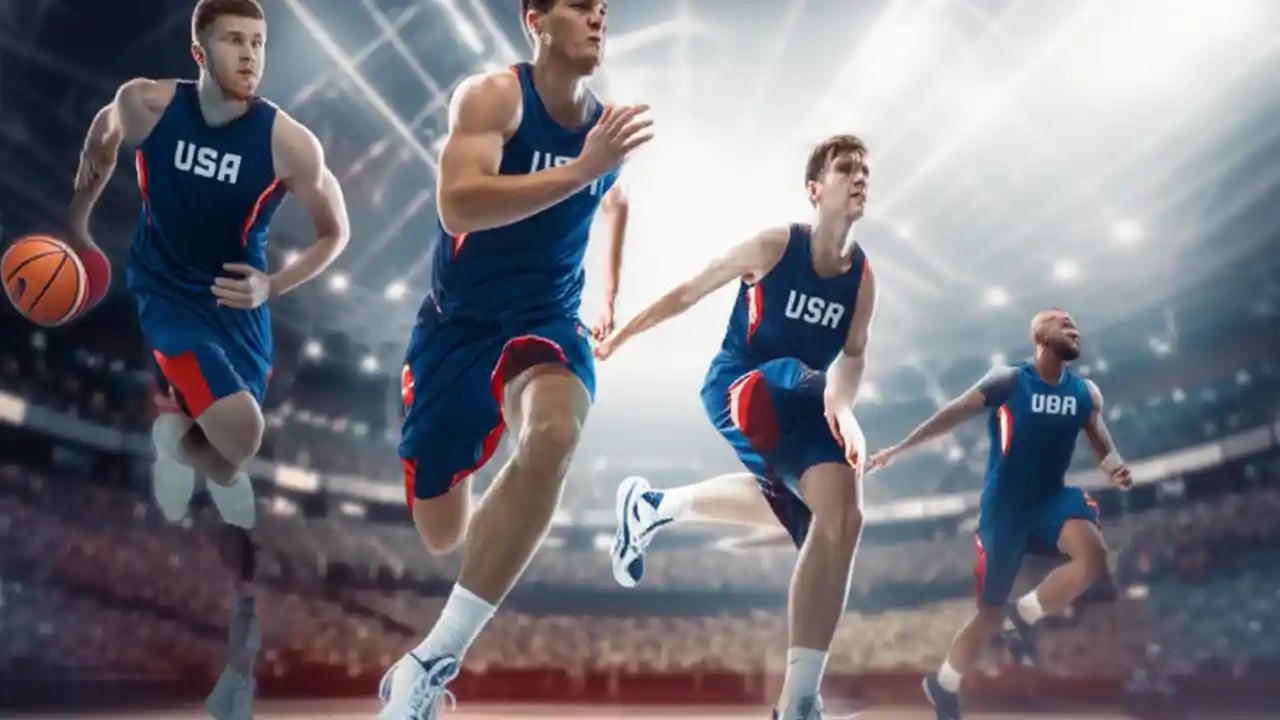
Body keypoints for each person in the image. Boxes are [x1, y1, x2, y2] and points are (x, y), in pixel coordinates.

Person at [66, 0, 350, 717]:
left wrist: (273, 283)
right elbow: (101, 141)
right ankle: (181, 447)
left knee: (230, 456)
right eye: (234, 41)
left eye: (259, 42)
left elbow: (333, 230)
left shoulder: (289, 143)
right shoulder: (149, 105)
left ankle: (176, 446)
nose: (252, 54)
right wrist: (78, 227)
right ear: (200, 52)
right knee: (244, 432)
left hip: (238, 305)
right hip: (167, 294)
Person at [378, 0, 652, 716]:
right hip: (456, 330)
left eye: (604, 9)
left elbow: (617, 198)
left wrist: (612, 291)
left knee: (556, 432)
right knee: (444, 535)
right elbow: (458, 205)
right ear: (536, 19)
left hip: (545, 321)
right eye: (581, 7)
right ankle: (471, 455)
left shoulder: (606, 128)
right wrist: (580, 168)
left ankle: (429, 661)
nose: (599, 19)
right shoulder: (494, 97)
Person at [596, 134, 874, 720]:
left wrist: (844, 409)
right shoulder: (775, 246)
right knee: (793, 377)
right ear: (814, 190)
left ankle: (797, 702)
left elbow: (851, 358)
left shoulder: (861, 278)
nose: (859, 177)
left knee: (838, 523)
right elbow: (690, 290)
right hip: (741, 382)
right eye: (846, 168)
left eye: (865, 170)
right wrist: (622, 335)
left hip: (806, 401)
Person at [865, 309, 1134, 720]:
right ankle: (943, 685)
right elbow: (952, 413)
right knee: (987, 614)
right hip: (1004, 510)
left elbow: (1097, 434)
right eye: (1062, 322)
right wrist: (898, 451)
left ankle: (1023, 612)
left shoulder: (1085, 392)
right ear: (1039, 335)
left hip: (1051, 499)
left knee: (1094, 557)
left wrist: (1114, 465)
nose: (1073, 328)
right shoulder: (1010, 380)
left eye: (1076, 324)